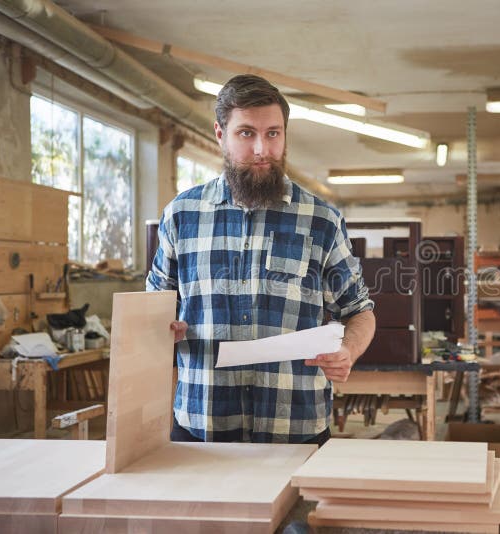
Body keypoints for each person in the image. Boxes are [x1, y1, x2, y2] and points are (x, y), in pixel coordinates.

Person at [146, 74, 375, 445]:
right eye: (246, 133)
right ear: (220, 134)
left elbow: (359, 310)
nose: (261, 149)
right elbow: (152, 308)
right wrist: (162, 328)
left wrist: (348, 349)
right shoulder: (181, 216)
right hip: (203, 424)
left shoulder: (321, 220)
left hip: (295, 427)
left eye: (273, 133)